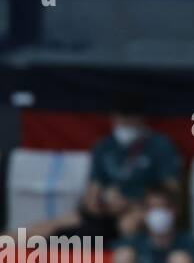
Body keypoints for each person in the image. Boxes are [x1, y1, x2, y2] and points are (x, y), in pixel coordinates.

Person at [22, 96, 181, 242]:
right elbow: (92, 192)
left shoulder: (160, 146)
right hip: (104, 210)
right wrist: (103, 202)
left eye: (130, 121)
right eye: (121, 120)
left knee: (128, 225)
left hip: (138, 209)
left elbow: (171, 190)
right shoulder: (104, 146)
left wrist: (132, 203)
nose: (125, 125)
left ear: (142, 120)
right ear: (114, 118)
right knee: (46, 227)